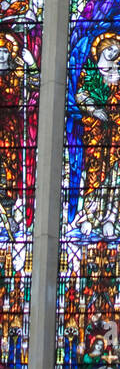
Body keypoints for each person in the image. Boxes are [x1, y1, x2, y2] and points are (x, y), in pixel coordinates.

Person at [75, 31, 120, 235]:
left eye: (116, 51)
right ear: (101, 48)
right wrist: (94, 110)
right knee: (94, 173)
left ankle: (111, 216)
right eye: (110, 48)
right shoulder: (90, 73)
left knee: (115, 175)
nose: (113, 53)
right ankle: (90, 215)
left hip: (118, 134)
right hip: (96, 132)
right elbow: (81, 95)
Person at [0, 31, 36, 237]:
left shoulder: (18, 76)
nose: (3, 55)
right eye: (0, 51)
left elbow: (36, 85)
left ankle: (10, 214)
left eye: (6, 51)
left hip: (9, 131)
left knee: (9, 172)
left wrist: (30, 65)